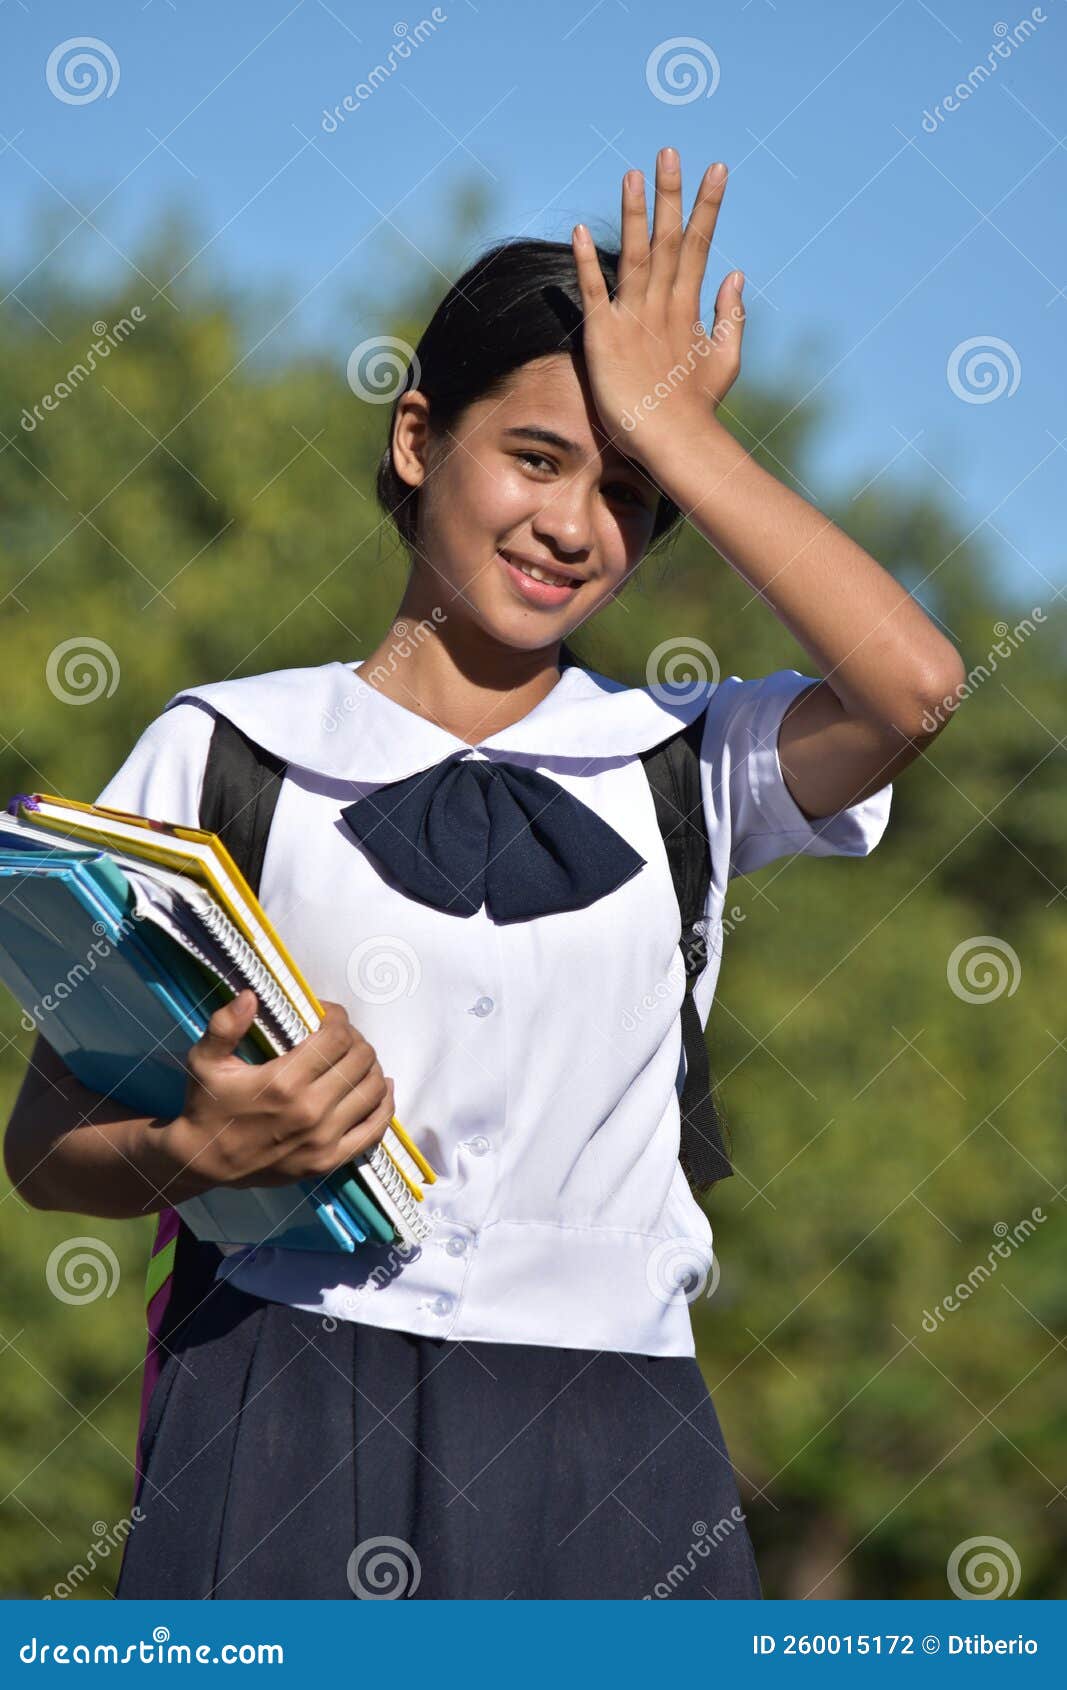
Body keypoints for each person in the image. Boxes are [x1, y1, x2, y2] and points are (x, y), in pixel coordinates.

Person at [3, 148, 965, 1599]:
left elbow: (915, 686)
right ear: (416, 442)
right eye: (536, 456)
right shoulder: (225, 752)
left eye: (628, 491)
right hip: (272, 1403)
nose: (576, 526)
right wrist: (192, 1157)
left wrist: (682, 432)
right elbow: (40, 1146)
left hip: (617, 1442)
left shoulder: (683, 760)